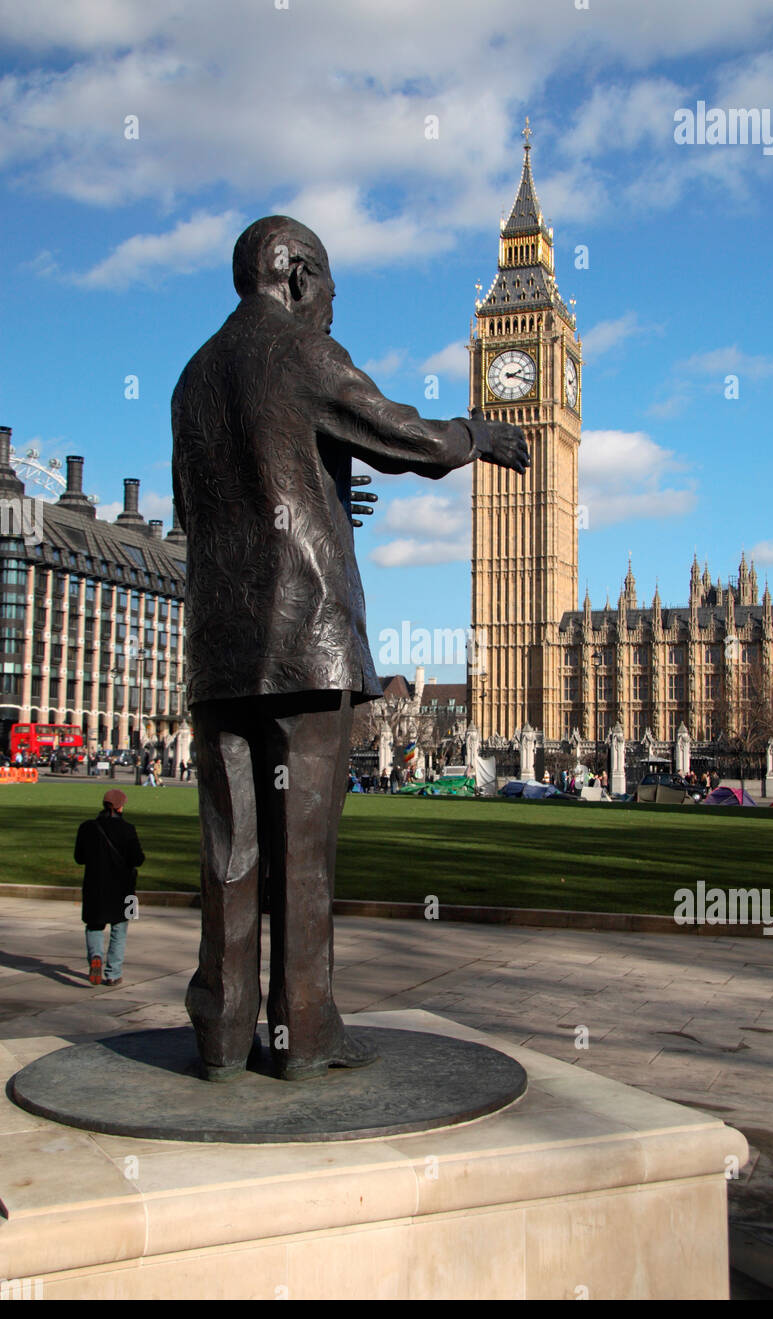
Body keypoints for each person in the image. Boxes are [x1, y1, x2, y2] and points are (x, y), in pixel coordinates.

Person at [171, 214, 529, 1082]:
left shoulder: (190, 378)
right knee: (302, 852)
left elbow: (201, 511)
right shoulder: (301, 350)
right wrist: (478, 434)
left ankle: (220, 1037)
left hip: (220, 650)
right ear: (295, 276)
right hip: (305, 642)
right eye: (329, 289)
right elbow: (405, 435)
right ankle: (303, 1032)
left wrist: (326, 491)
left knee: (230, 850)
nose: (332, 309)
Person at [73, 788, 145, 986]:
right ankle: (113, 972)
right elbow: (137, 859)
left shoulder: (87, 827)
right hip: (125, 888)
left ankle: (95, 956)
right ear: (121, 806)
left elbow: (79, 858)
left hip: (94, 885)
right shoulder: (128, 829)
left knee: (93, 925)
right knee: (120, 929)